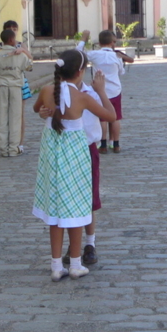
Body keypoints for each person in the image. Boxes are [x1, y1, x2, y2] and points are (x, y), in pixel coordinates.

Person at [32, 49, 116, 281]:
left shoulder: (47, 90)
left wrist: (43, 111)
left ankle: (56, 265)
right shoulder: (82, 97)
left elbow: (37, 108)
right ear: (80, 72)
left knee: (55, 211)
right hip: (75, 156)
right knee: (77, 208)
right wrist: (101, 91)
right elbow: (110, 115)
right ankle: (76, 263)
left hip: (52, 155)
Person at [76, 29, 132, 154]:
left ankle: (103, 144)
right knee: (116, 117)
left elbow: (78, 53)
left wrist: (84, 39)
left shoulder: (94, 54)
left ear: (99, 42)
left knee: (102, 118)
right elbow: (121, 72)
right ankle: (116, 144)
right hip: (115, 90)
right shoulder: (116, 56)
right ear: (112, 42)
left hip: (99, 89)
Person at [0, 20, 34, 154]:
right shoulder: (8, 49)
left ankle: (11, 146)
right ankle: (10, 147)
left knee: (10, 116)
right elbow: (30, 66)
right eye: (10, 28)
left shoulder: (16, 46)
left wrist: (22, 51)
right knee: (10, 116)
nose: (13, 30)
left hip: (8, 84)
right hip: (11, 84)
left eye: (14, 28)